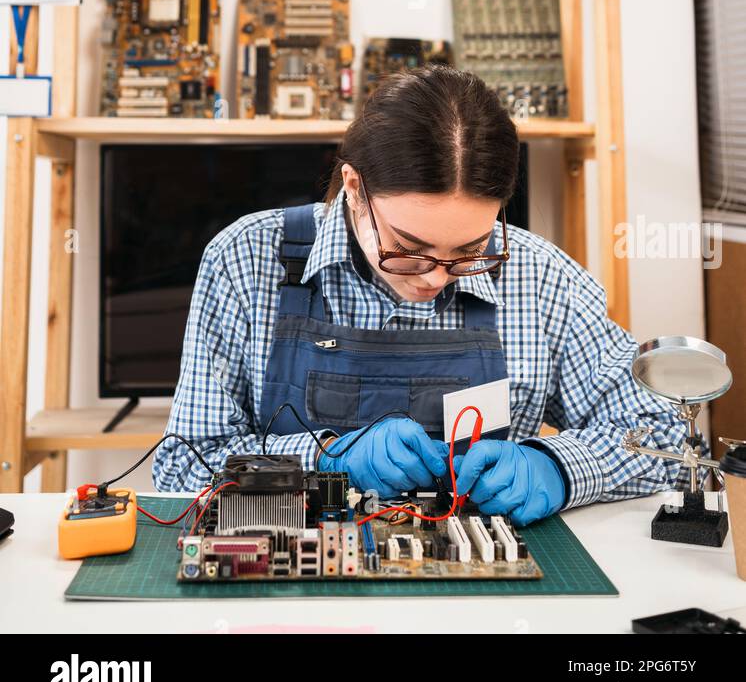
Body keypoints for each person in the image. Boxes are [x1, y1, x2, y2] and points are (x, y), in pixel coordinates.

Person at [152, 66, 694, 525]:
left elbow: (664, 439)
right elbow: (183, 466)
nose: (435, 277)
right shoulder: (247, 260)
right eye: (409, 247)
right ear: (354, 188)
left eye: (469, 249)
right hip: (291, 572)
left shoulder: (541, 276)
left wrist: (558, 466)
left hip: (481, 580)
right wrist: (325, 460)